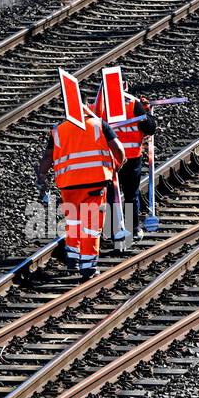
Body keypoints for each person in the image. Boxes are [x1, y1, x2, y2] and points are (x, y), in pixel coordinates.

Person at [37, 104, 126, 278]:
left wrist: (41, 175)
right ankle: (88, 266)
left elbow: (48, 157)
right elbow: (119, 150)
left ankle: (73, 259)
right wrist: (118, 165)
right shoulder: (99, 124)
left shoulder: (58, 130)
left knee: (74, 221)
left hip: (68, 184)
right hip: (94, 182)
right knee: (91, 225)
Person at [101, 94, 157, 241]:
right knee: (131, 194)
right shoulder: (133, 104)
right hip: (131, 158)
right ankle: (132, 229)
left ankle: (111, 231)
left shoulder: (101, 105)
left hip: (111, 159)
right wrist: (147, 111)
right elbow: (150, 128)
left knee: (111, 196)